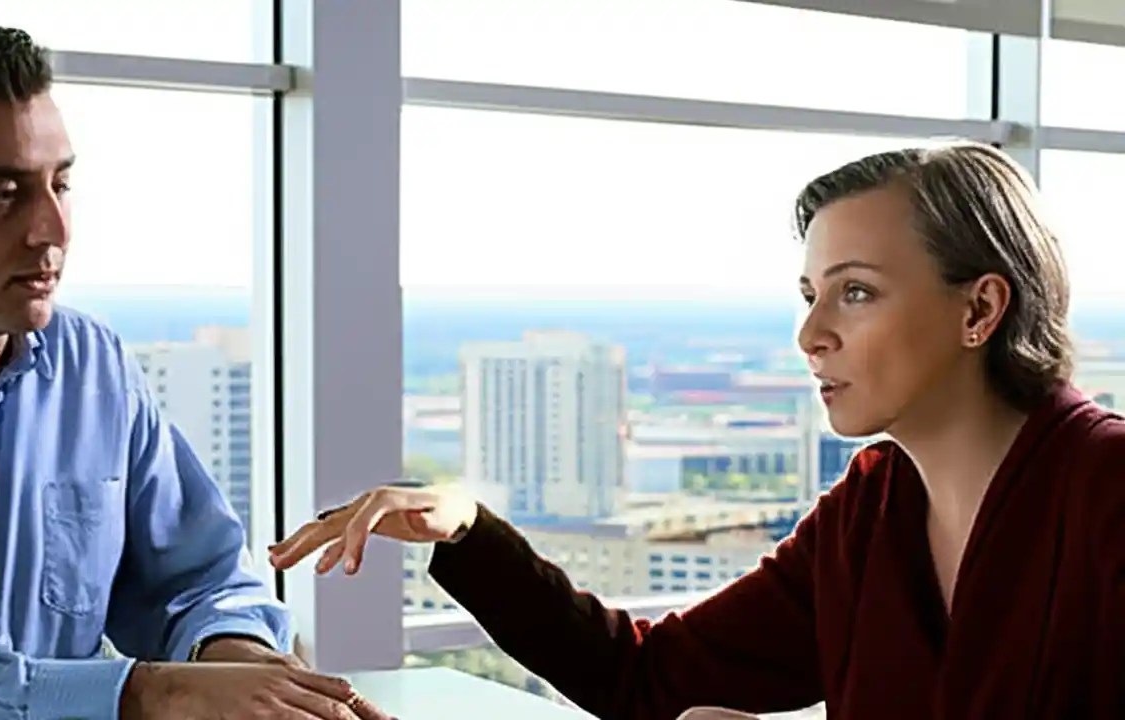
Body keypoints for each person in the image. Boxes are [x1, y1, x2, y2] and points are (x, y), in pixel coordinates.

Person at [270, 142, 1125, 719]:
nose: (811, 333)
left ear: (979, 307)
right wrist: (466, 529)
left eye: (856, 291)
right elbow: (646, 678)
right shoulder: (867, 518)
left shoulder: (1107, 490)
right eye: (809, 295)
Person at [0, 16, 390, 720]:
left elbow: (200, 579)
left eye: (60, 184)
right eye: (2, 193)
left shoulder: (90, 369)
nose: (53, 230)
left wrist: (241, 664)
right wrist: (146, 693)